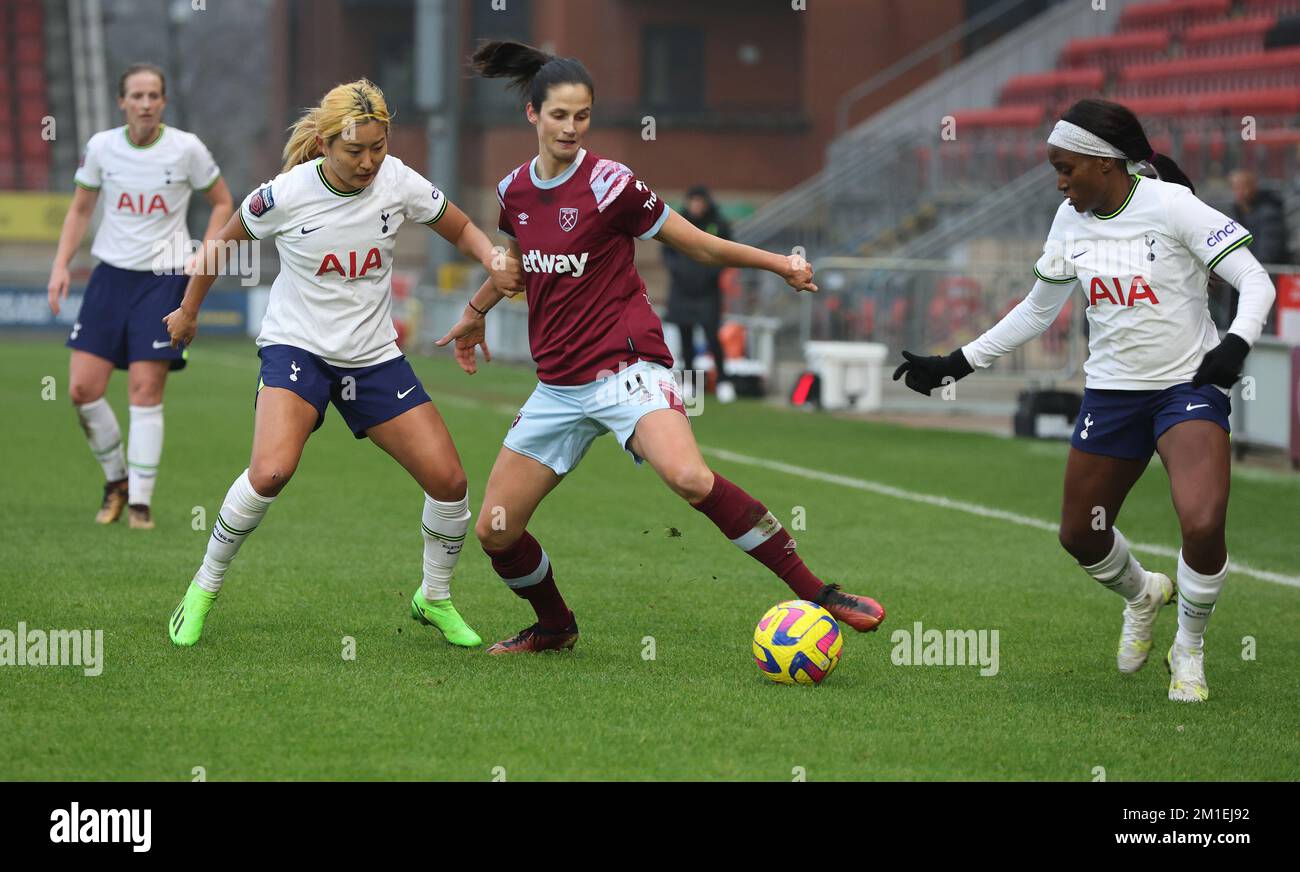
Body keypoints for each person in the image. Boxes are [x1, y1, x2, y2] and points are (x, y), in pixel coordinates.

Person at [436, 40, 886, 656]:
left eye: (583, 115)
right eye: (560, 115)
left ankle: (818, 593)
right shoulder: (514, 189)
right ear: (532, 115)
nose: (572, 128)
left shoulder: (611, 183)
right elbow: (518, 265)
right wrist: (474, 311)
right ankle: (556, 626)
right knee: (495, 530)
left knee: (689, 477)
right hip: (558, 385)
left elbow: (697, 243)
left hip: (626, 367)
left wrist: (778, 264)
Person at [892, 99, 1276, 703]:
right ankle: (1143, 593)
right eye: (1055, 169)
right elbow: (1037, 310)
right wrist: (957, 363)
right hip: (1112, 395)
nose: (1060, 180)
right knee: (1080, 535)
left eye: (1066, 167)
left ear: (1106, 163)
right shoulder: (1069, 222)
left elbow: (1257, 279)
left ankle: (1189, 649)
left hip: (1188, 389)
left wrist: (1233, 346)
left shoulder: (1172, 204)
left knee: (1202, 522)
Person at [161, 79, 522, 648]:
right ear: (327, 143)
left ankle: (434, 596)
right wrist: (187, 312)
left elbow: (456, 224)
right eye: (355, 150)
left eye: (378, 147)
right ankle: (204, 586)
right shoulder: (284, 194)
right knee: (272, 471)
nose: (369, 161)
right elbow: (220, 246)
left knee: (450, 482)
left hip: (373, 358)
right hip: (297, 349)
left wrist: (492, 255)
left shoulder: (397, 179)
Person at [47, 63, 233, 529]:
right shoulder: (101, 148)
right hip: (109, 278)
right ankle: (117, 482)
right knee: (81, 389)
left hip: (163, 280)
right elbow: (81, 208)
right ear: (122, 102)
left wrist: (203, 255)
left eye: (154, 95)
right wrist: (60, 264)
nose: (146, 103)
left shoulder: (187, 148)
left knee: (145, 392)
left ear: (163, 102)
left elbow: (223, 203)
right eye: (137, 95)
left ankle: (140, 507)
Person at [664, 186, 732, 400]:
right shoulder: (677, 221)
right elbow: (667, 251)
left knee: (713, 336)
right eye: (693, 201)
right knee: (685, 337)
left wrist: (708, 274)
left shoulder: (718, 224)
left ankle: (723, 380)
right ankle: (689, 382)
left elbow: (727, 251)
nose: (696, 206)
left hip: (707, 292)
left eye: (700, 201)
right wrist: (680, 271)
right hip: (682, 291)